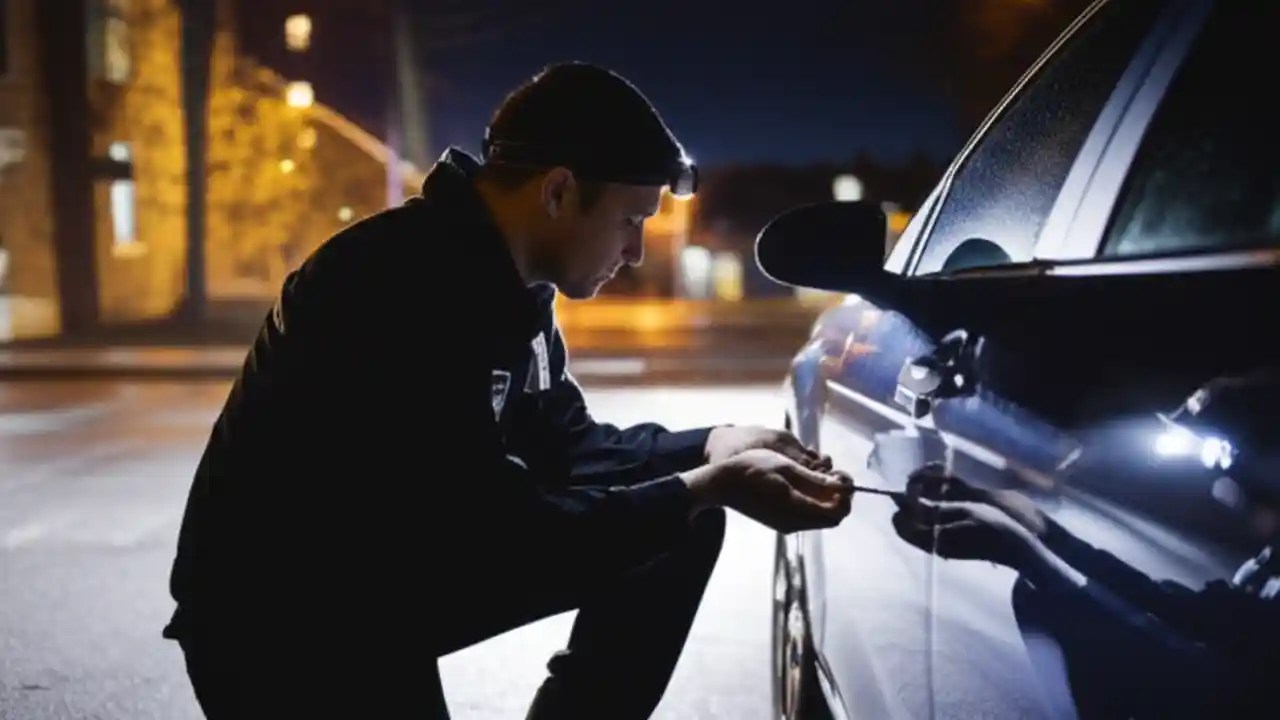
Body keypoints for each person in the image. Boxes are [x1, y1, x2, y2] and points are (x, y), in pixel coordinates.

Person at [162, 61, 854, 719]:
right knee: (679, 511)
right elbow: (501, 534)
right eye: (631, 219)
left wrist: (710, 448)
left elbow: (568, 449)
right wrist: (707, 484)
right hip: (283, 622)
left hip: (377, 581)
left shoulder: (512, 286)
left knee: (681, 527)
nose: (638, 251)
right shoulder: (397, 284)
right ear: (558, 192)